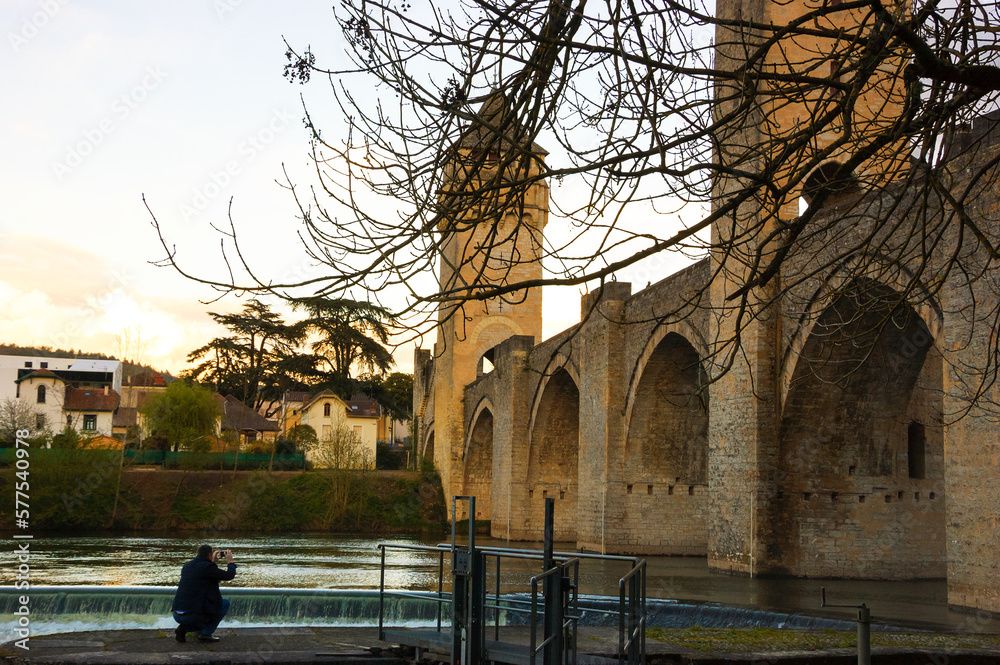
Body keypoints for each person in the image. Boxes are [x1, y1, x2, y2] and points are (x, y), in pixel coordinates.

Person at [171, 544, 237, 643]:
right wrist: (230, 562)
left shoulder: (187, 566)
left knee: (202, 607)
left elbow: (204, 574)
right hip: (191, 615)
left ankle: (184, 628)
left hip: (176, 613)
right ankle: (205, 633)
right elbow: (229, 575)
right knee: (223, 604)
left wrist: (212, 562)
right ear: (210, 555)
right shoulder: (208, 568)